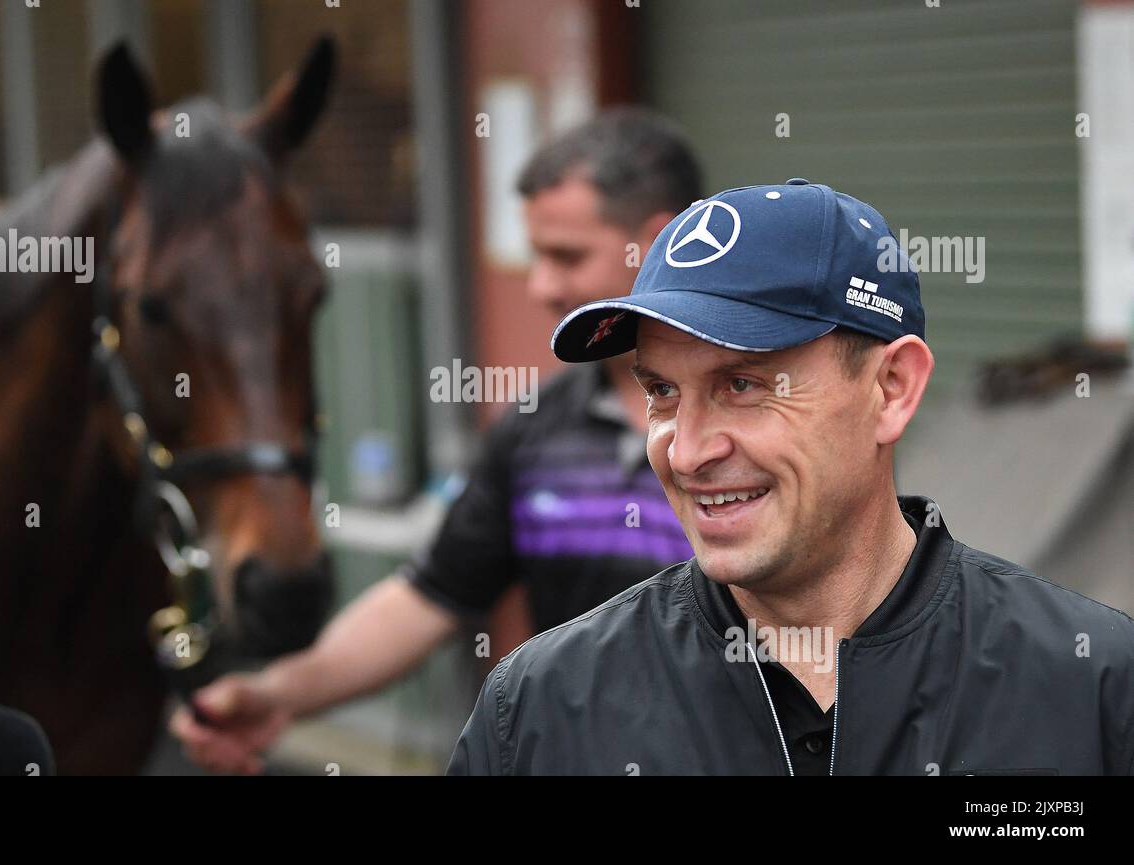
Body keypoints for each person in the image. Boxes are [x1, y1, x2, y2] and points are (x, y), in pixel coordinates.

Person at [447, 179, 1134, 775]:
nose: (686, 452)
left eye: (741, 384)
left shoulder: (1094, 685)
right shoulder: (539, 710)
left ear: (891, 389)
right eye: (661, 390)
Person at [170, 109, 705, 774]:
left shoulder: (755, 431)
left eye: (566, 256)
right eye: (534, 254)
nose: (540, 287)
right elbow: (431, 596)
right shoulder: (535, 429)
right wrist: (279, 692)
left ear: (654, 242)